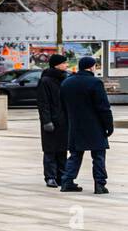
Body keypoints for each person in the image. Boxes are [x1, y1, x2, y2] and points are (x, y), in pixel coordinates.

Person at [59, 55, 112, 194]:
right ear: (91, 67)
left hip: (75, 125)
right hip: (95, 126)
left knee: (75, 155)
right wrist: (109, 125)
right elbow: (103, 107)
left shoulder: (67, 83)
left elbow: (62, 106)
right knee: (98, 156)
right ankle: (100, 185)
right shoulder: (95, 83)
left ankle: (67, 182)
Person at [36, 54, 70, 187]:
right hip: (51, 121)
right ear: (57, 64)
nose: (66, 65)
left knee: (62, 150)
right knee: (50, 150)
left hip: (64, 121)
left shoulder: (65, 79)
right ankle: (50, 176)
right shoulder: (45, 81)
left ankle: (62, 176)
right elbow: (43, 103)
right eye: (64, 63)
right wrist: (46, 121)